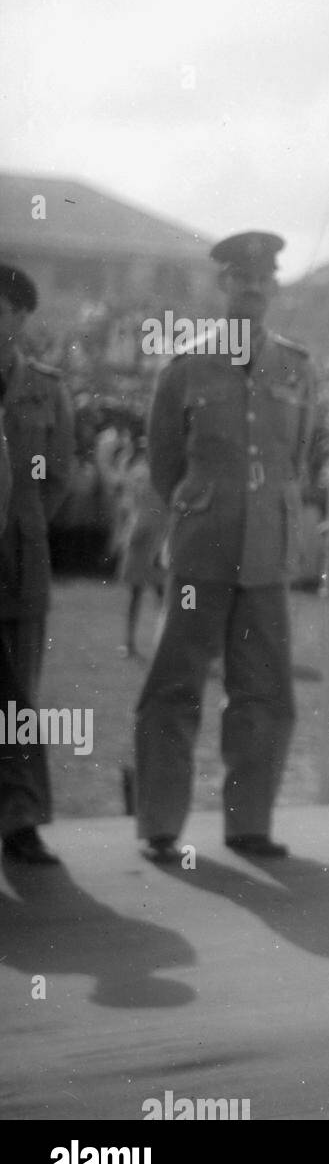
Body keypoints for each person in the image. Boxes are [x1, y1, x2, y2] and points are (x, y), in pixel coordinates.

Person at [133, 232, 317, 864]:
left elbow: (302, 458)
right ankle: (160, 823)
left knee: (264, 690)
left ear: (274, 287)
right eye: (242, 279)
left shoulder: (296, 367)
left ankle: (248, 825)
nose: (254, 289)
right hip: (200, 550)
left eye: (264, 279)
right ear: (224, 287)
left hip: (266, 553)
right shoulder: (185, 368)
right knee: (174, 685)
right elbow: (163, 465)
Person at [0, 262, 74, 865]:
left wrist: (21, 526)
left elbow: (58, 479)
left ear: (20, 318)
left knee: (18, 699)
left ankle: (19, 821)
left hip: (19, 565)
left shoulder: (46, 389)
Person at [115, 432, 167, 658]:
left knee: (164, 596)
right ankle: (129, 642)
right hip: (139, 538)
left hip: (157, 538)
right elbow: (129, 507)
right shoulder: (138, 473)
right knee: (136, 593)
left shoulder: (165, 478)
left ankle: (166, 644)